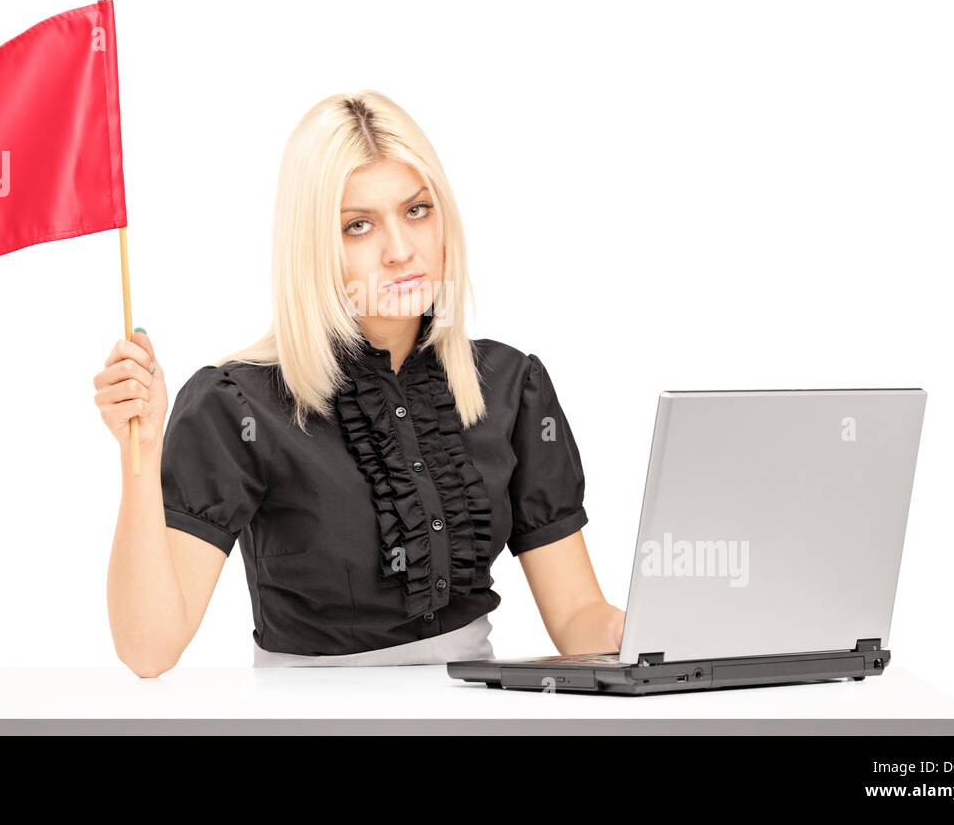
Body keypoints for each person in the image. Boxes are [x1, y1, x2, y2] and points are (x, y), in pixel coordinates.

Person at [96, 91, 625, 675]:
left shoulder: (510, 386)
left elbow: (578, 615)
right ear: (312, 247)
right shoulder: (236, 407)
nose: (400, 251)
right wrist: (137, 454)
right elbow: (149, 650)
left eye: (417, 210)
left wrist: (645, 629)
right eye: (358, 226)